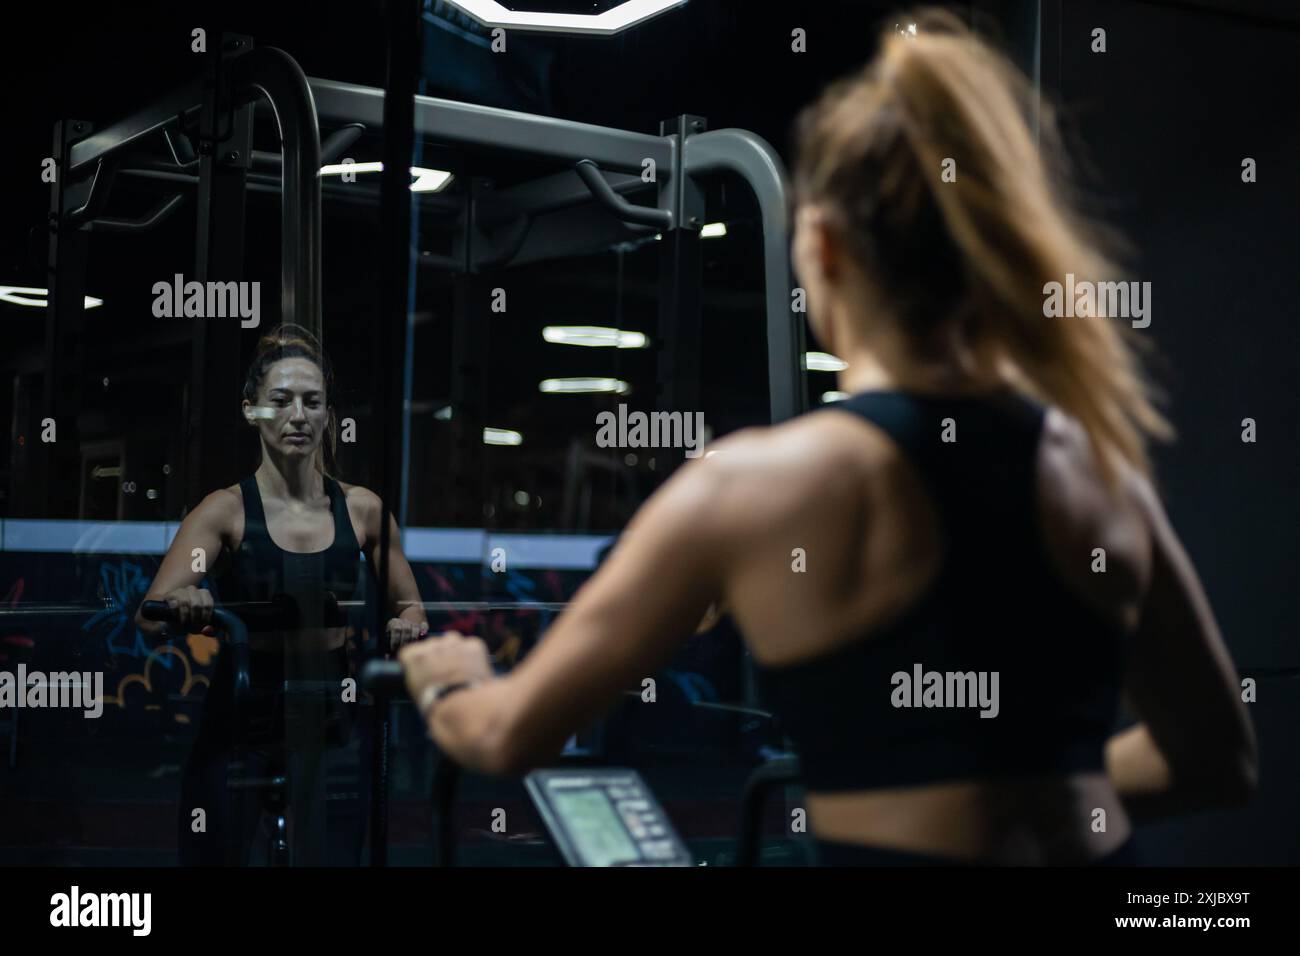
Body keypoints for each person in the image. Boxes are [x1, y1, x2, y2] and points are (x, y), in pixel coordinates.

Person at [395, 10, 1257, 865]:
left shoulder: (753, 488)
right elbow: (1215, 759)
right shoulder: (1099, 470)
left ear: (826, 250)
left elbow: (507, 736)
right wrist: (1023, 789)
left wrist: (453, 679)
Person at [136, 324, 428, 865]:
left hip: (332, 707)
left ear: (327, 414)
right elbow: (151, 616)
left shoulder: (362, 509)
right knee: (213, 855)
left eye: (312, 402)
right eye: (281, 400)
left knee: (333, 857)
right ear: (252, 411)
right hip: (247, 705)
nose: (298, 415)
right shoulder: (224, 511)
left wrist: (407, 621)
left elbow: (409, 603)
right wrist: (189, 603)